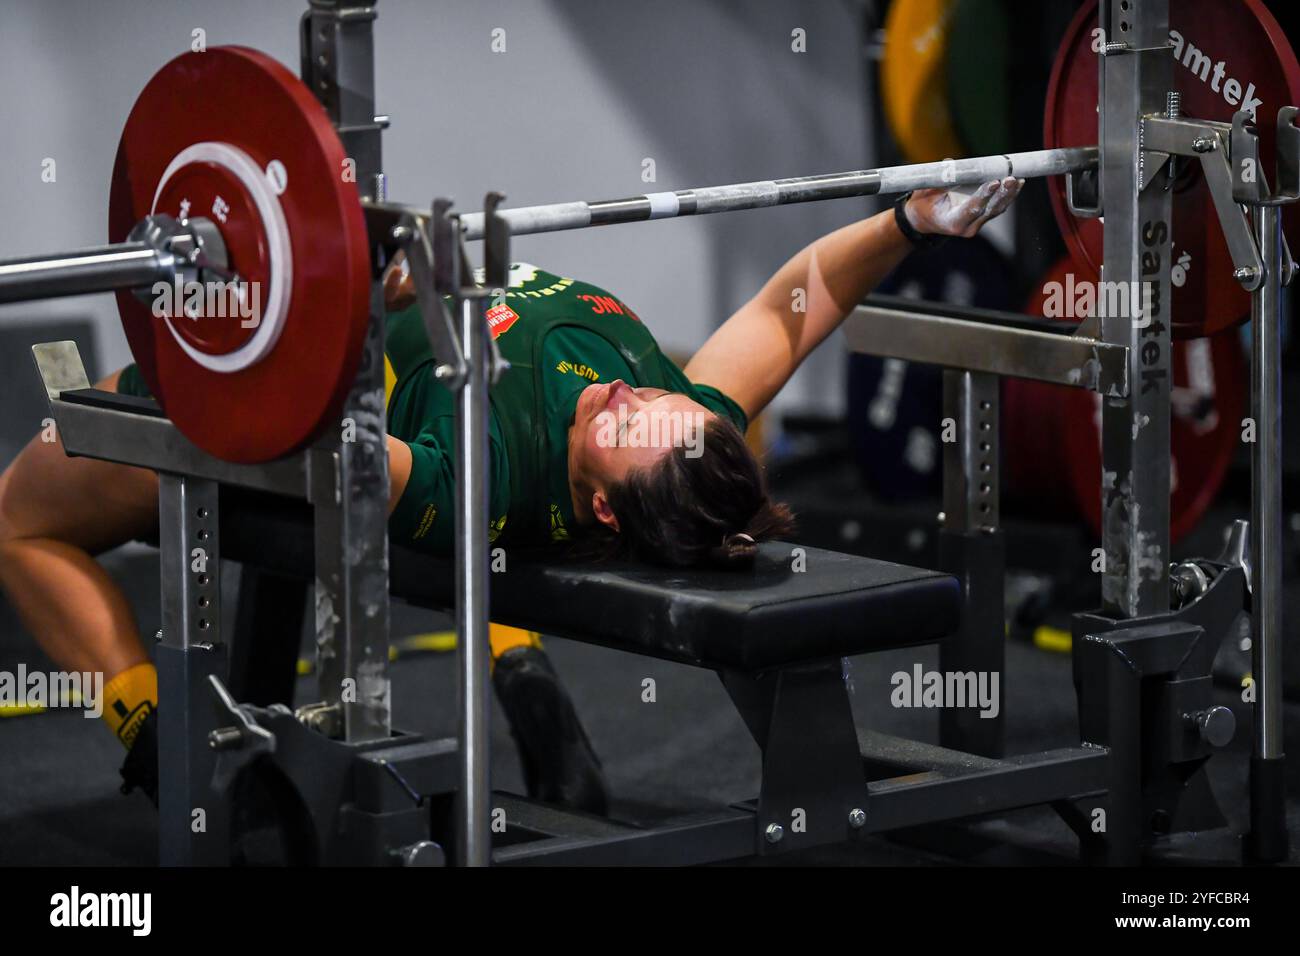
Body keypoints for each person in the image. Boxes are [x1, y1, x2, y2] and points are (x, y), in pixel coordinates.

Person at [0, 179, 1021, 817]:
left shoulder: (474, 470)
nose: (629, 391)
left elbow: (326, 442)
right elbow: (797, 301)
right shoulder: (684, 421)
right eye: (663, 396)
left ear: (607, 511)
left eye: (626, 425)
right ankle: (515, 655)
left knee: (16, 521)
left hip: (267, 374)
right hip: (367, 313)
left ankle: (149, 726)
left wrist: (350, 308)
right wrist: (909, 220)